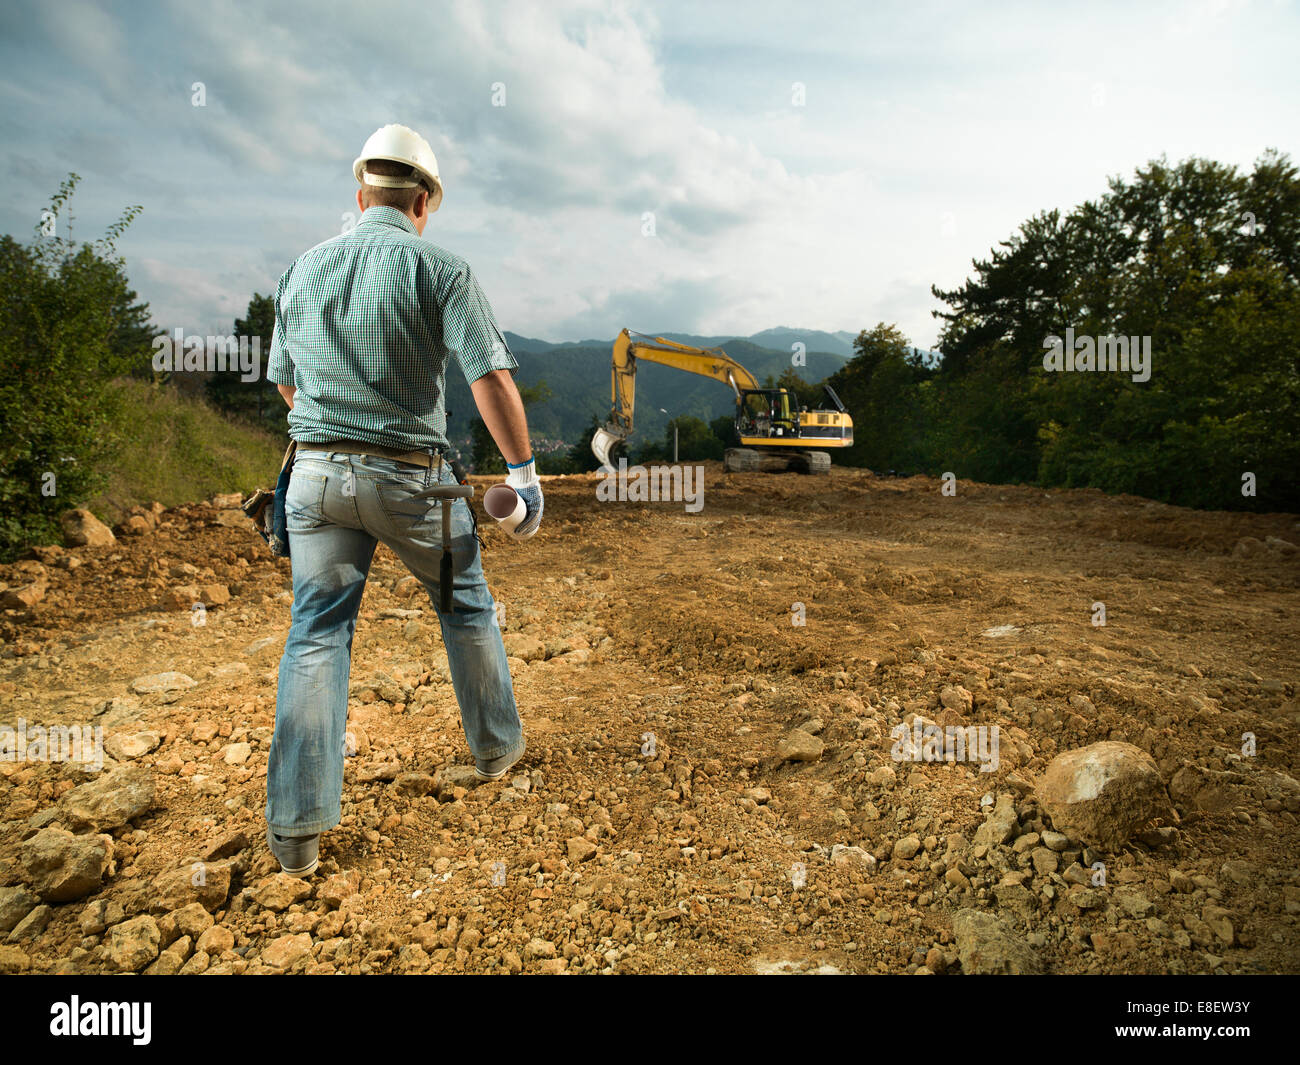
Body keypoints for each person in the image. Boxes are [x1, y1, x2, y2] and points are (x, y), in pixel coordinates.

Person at [262, 124, 542, 877]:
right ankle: (495, 751)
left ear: (361, 197)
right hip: (415, 484)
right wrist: (523, 475)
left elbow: (288, 384)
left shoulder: (302, 267)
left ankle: (295, 835)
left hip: (316, 483)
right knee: (464, 605)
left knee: (316, 634)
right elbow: (491, 379)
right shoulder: (440, 268)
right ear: (423, 202)